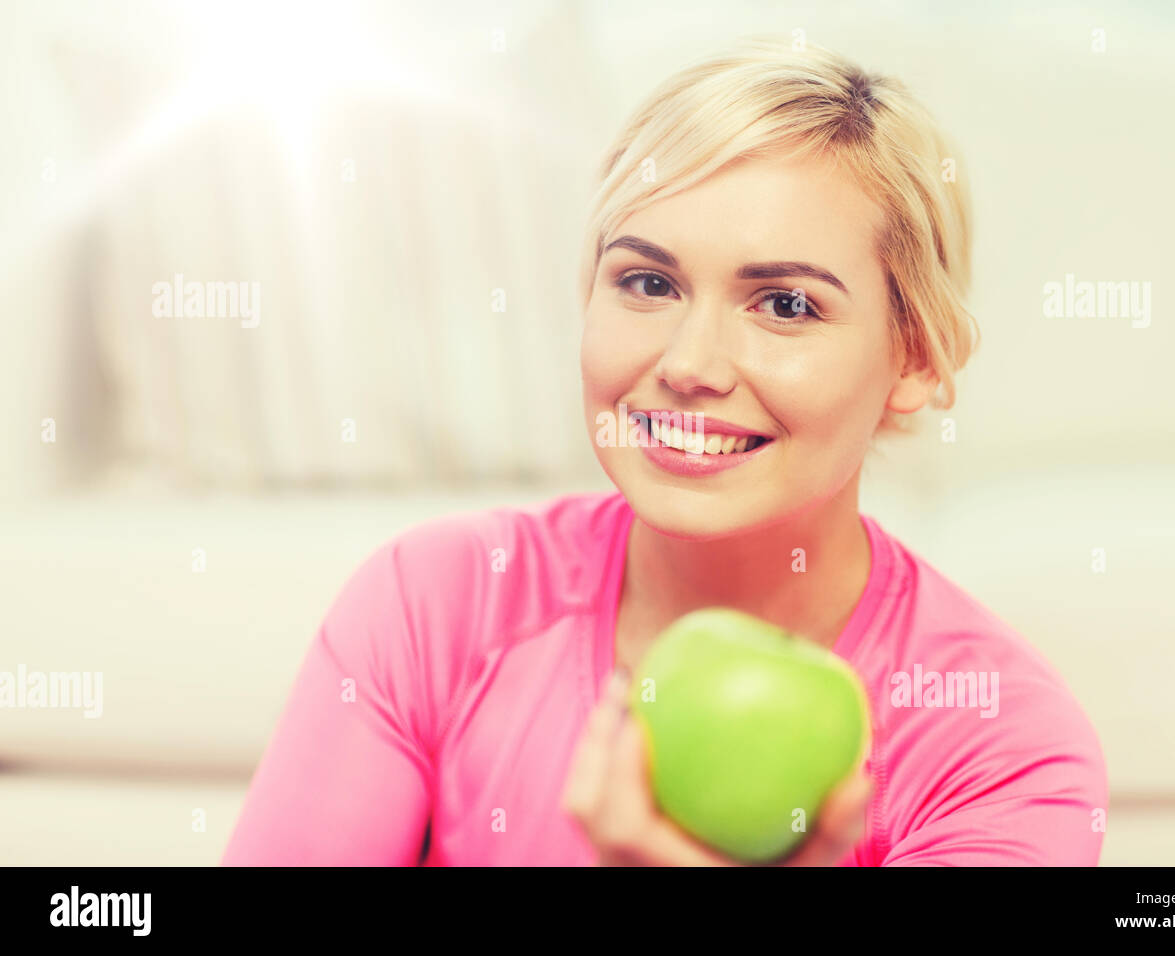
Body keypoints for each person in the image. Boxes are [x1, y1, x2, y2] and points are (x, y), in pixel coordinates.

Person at [221, 35, 1107, 866]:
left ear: (913, 356)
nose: (688, 366)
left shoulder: (1002, 748)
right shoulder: (436, 604)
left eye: (786, 305)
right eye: (649, 282)